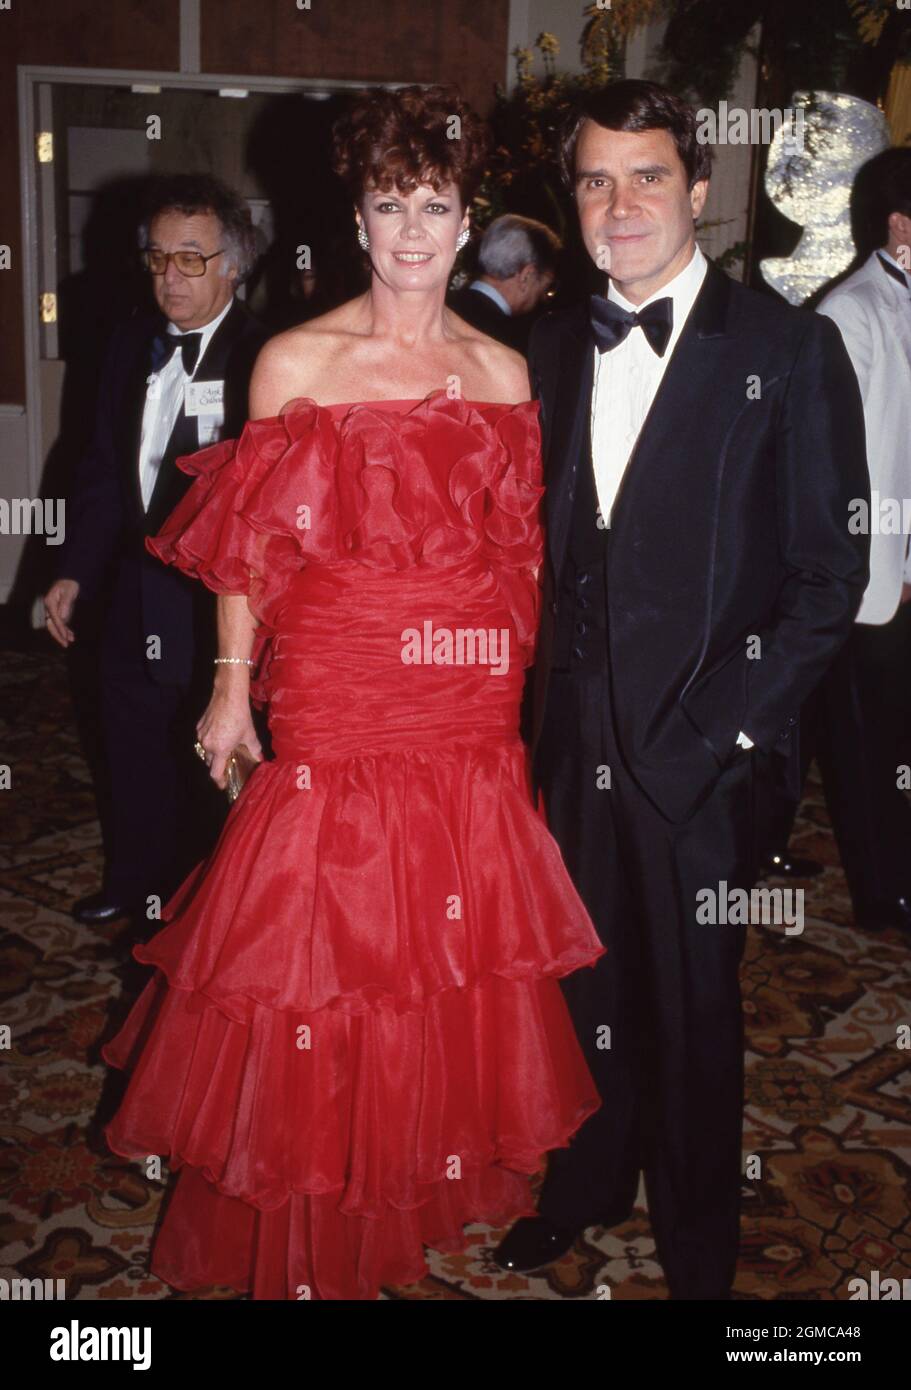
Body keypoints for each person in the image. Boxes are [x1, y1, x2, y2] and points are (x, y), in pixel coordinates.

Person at [99, 84, 605, 1301]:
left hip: (462, 709)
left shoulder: (502, 370)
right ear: (359, 218)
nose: (414, 229)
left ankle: (397, 1183)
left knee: (433, 952)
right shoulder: (294, 361)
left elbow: (516, 557)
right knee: (315, 950)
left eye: (435, 204)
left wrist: (518, 704)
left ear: (465, 214)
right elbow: (254, 549)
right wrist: (229, 687)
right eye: (390, 204)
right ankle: (304, 1214)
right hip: (333, 687)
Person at [492, 79, 870, 1299]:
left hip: (706, 754)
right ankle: (586, 1182)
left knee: (695, 1007)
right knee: (581, 980)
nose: (620, 205)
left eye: (646, 175)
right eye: (594, 179)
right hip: (567, 739)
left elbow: (826, 577)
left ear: (698, 189)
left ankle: (700, 1238)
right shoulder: (547, 343)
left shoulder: (785, 348)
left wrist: (713, 730)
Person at [44, 174, 268, 924]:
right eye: (157, 257)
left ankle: (205, 907)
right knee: (129, 745)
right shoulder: (128, 344)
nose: (169, 275)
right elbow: (105, 470)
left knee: (210, 761)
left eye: (191, 259)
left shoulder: (267, 358)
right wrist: (73, 570)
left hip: (218, 603)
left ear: (233, 265)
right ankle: (131, 884)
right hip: (130, 591)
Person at [764, 147, 911, 934]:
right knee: (865, 747)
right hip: (867, 573)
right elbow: (835, 465)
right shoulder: (848, 313)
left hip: (902, 564)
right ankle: (884, 894)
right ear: (898, 225)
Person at [449, 214, 560, 353]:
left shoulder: (440, 307)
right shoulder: (511, 344)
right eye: (547, 286)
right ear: (526, 276)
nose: (544, 297)